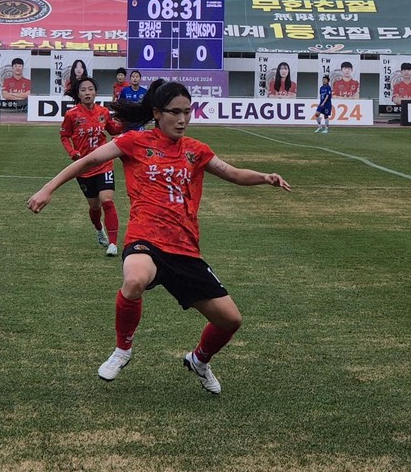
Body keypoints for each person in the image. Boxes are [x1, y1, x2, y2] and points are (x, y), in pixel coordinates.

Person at [27, 79, 292, 392]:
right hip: (146, 239)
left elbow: (232, 173)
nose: (182, 119)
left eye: (187, 112)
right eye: (174, 112)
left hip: (184, 248)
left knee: (230, 320)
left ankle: (200, 359)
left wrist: (265, 177)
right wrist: (47, 188)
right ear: (157, 112)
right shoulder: (134, 142)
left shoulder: (197, 151)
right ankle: (122, 350)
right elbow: (90, 160)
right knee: (134, 280)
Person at [59, 76, 124, 256]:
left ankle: (113, 244)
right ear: (78, 94)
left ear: (95, 91)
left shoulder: (103, 111)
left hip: (104, 163)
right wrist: (73, 153)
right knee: (95, 207)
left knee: (107, 201)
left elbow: (114, 130)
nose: (87, 93)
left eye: (90, 89)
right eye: (83, 90)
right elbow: (64, 136)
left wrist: (127, 121)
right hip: (84, 167)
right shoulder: (72, 115)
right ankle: (98, 228)